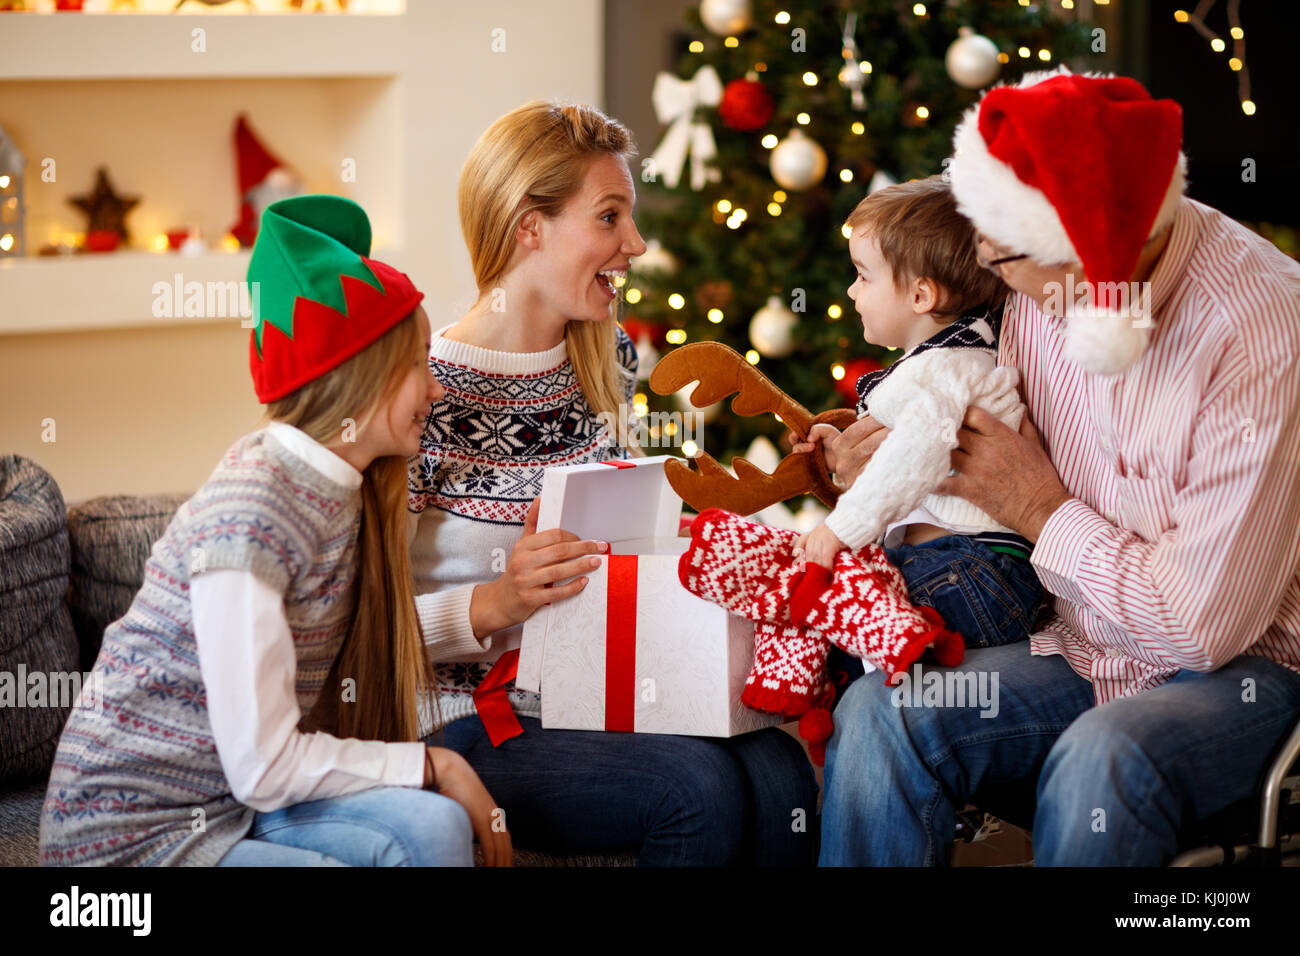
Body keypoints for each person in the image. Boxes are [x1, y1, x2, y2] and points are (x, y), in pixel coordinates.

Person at [818, 67, 1300, 866]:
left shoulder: (1259, 332)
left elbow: (1200, 631)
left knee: (1105, 757)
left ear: (1087, 258)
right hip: (1080, 648)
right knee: (885, 710)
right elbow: (981, 440)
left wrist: (1040, 508)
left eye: (1003, 259)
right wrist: (886, 454)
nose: (985, 267)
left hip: (1246, 674)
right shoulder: (1040, 290)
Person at [40, 195, 511, 867]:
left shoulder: (347, 490)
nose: (435, 391)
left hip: (236, 804)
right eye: (417, 365)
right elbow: (262, 764)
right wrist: (432, 765)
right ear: (361, 374)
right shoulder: (251, 514)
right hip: (130, 841)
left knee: (435, 831)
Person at [407, 100, 819, 866]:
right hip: (461, 714)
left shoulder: (606, 365)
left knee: (782, 772)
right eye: (609, 217)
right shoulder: (424, 394)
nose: (634, 244)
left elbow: (619, 552)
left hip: (592, 695)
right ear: (529, 226)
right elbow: (354, 629)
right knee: (693, 788)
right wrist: (496, 602)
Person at [677, 177, 1046, 729]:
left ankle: (809, 672)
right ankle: (838, 671)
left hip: (978, 574)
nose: (851, 291)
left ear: (921, 296)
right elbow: (903, 458)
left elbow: (917, 454)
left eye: (863, 276)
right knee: (833, 588)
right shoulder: (953, 359)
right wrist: (839, 457)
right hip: (968, 574)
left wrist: (840, 530)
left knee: (821, 583)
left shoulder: (944, 368)